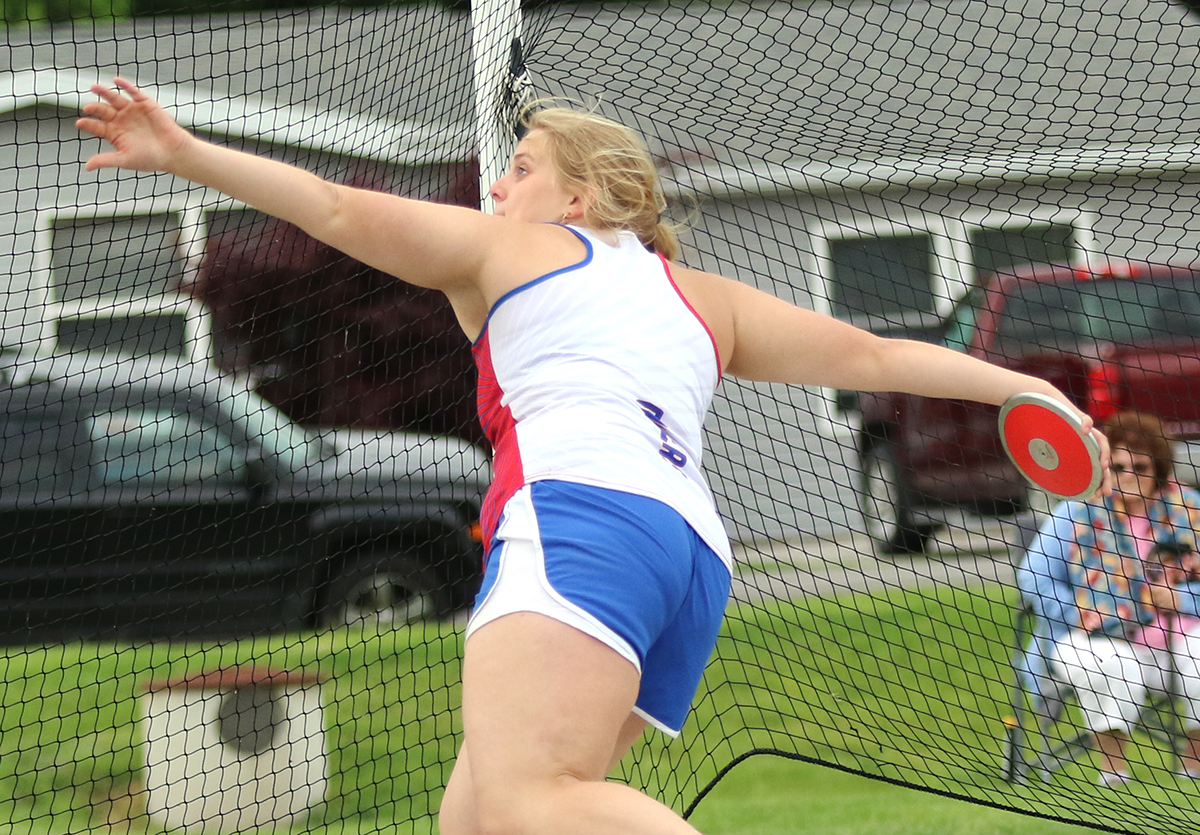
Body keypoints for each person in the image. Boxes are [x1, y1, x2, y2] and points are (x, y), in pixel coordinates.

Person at [77, 78, 1105, 835]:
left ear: (583, 197)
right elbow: (879, 352)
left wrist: (187, 155)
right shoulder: (703, 296)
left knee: (531, 799)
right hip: (688, 554)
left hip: (581, 519)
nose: (497, 180)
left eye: (521, 167)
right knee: (477, 814)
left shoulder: (509, 250)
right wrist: (1026, 385)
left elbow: (340, 214)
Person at [1018, 411, 1200, 786]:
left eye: (1141, 466)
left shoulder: (1190, 510)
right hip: (1088, 637)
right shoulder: (1075, 510)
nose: (1128, 475)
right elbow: (1032, 577)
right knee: (1113, 662)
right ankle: (1113, 771)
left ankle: (1193, 766)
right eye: (1118, 466)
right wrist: (1081, 611)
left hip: (1174, 638)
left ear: (1160, 470)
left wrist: (1181, 599)